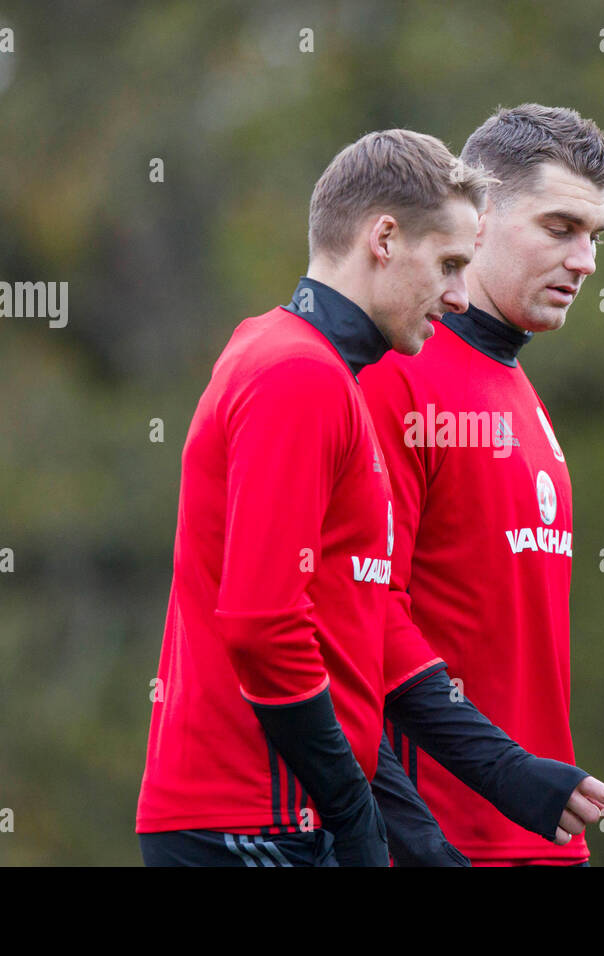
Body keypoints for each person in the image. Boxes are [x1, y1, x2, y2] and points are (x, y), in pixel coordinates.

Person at [135, 129, 491, 866]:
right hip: (249, 822)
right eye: (450, 265)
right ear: (384, 239)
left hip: (275, 818)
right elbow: (261, 624)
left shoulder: (313, 367)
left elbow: (338, 625)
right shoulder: (297, 374)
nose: (459, 297)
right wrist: (358, 822)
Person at [360, 104, 604, 866]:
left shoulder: (517, 387)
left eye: (595, 237)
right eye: (559, 228)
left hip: (540, 839)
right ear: (477, 219)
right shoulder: (398, 375)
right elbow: (361, 617)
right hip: (444, 843)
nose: (586, 261)